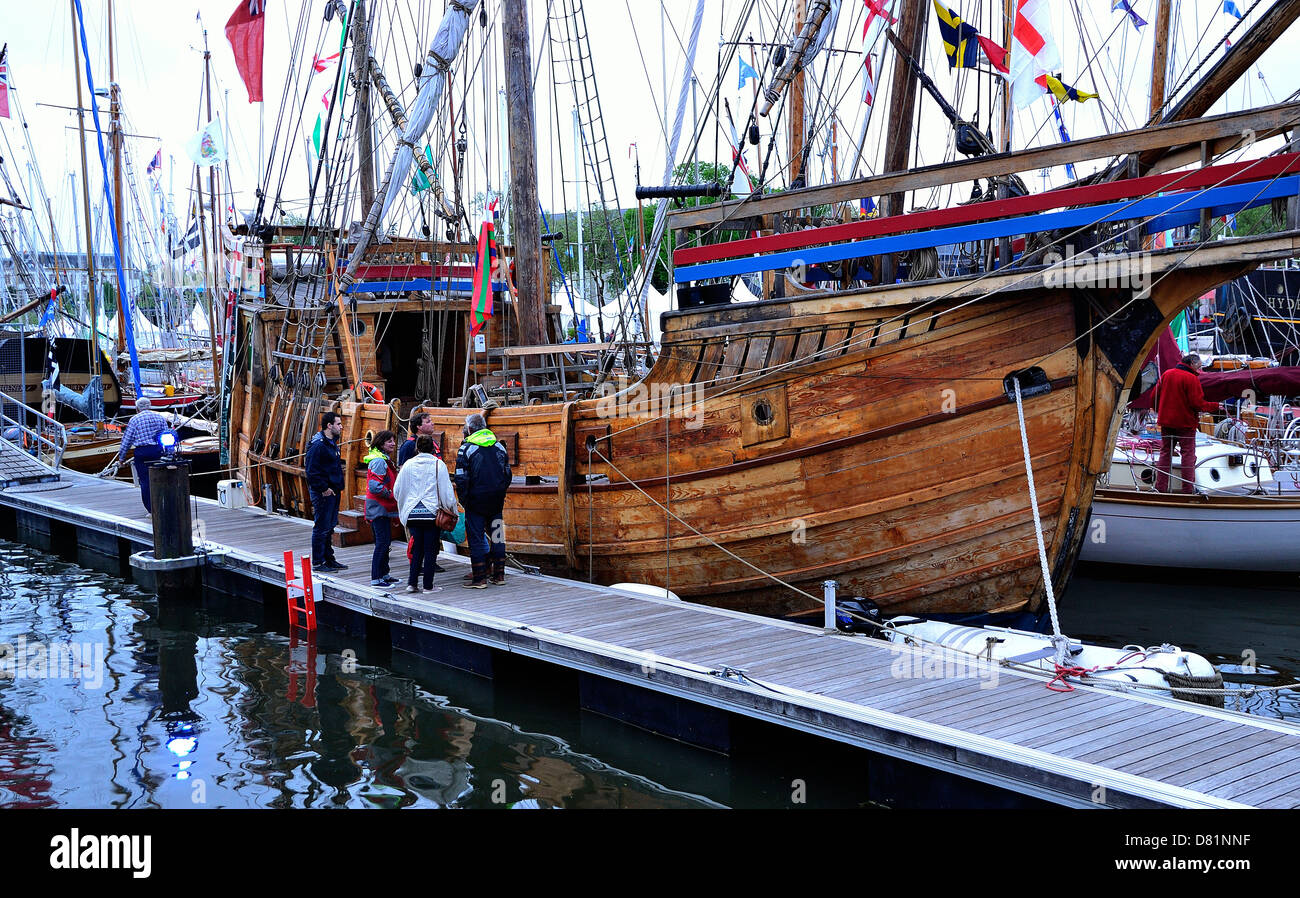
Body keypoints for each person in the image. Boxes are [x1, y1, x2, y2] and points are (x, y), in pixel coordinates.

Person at [393, 435, 457, 594]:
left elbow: (397, 490)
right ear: (433, 448)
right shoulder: (438, 465)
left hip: (412, 513)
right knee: (430, 549)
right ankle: (428, 586)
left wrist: (406, 504)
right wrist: (453, 510)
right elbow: (447, 493)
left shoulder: (408, 464)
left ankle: (412, 583)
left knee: (417, 549)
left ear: (417, 448)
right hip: (431, 513)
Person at [454, 413, 511, 588]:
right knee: (497, 536)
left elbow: (461, 478)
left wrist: (465, 500)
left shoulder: (466, 449)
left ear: (469, 429)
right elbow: (507, 474)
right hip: (496, 500)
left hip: (475, 501)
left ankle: (479, 579)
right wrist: (500, 492)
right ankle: (499, 576)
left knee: (476, 538)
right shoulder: (499, 447)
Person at [1154, 352, 1218, 493]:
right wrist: (1215, 406)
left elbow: (1155, 396)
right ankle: (1187, 489)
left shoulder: (1167, 374)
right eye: (1199, 367)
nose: (1199, 371)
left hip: (1166, 422)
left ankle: (1160, 488)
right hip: (1185, 424)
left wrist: (1161, 410)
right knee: (1188, 455)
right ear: (1192, 364)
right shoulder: (1191, 378)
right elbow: (1197, 403)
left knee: (1165, 453)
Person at [398, 412, 446, 572]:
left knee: (434, 532)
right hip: (417, 499)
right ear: (418, 426)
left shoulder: (432, 443)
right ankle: (416, 564)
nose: (432, 423)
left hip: (433, 496)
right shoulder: (408, 446)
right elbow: (403, 472)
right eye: (428, 421)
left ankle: (431, 560)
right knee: (416, 535)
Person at [305, 411, 348, 571]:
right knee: (321, 527)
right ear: (329, 426)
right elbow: (311, 471)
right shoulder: (318, 445)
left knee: (329, 527)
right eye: (338, 424)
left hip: (334, 491)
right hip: (324, 493)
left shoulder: (332, 443)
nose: (341, 427)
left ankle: (329, 558)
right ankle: (318, 562)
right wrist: (324, 489)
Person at [117, 397, 169, 512]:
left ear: (137, 408)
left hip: (142, 453)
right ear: (149, 406)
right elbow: (167, 435)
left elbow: (127, 441)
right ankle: (164, 504)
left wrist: (121, 458)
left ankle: (151, 509)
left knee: (145, 481)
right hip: (158, 451)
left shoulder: (134, 420)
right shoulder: (159, 417)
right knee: (161, 479)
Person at [363, 430, 400, 587]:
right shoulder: (379, 461)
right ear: (381, 444)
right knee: (382, 543)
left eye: (393, 440)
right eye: (389, 441)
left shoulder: (383, 459)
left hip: (381, 508)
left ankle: (384, 574)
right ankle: (376, 579)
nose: (392, 443)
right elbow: (375, 486)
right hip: (378, 508)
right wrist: (391, 494)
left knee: (385, 542)